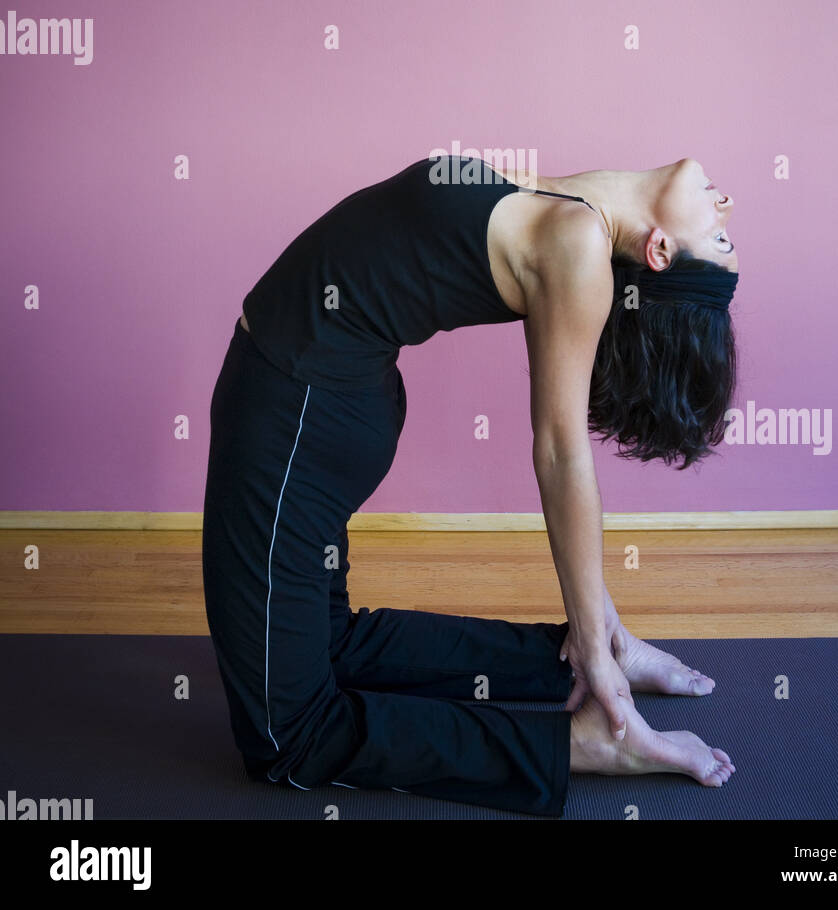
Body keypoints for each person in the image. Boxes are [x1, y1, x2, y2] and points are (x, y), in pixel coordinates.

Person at [201, 153, 738, 818]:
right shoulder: (576, 205)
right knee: (331, 642)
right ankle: (561, 663)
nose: (727, 209)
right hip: (315, 403)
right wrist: (596, 634)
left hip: (294, 410)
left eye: (719, 239)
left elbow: (561, 451)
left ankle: (582, 743)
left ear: (660, 249)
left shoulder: (576, 245)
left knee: (289, 737)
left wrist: (595, 644)